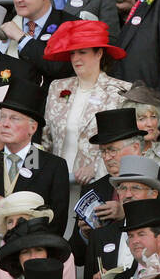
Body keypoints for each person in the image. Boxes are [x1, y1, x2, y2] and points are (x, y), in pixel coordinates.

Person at [41, 19, 129, 189]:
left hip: (98, 183)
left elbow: (126, 145)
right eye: (72, 53)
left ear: (99, 54)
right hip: (57, 184)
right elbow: (46, 139)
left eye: (82, 52)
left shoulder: (120, 91)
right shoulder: (57, 87)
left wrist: (96, 167)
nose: (76, 59)